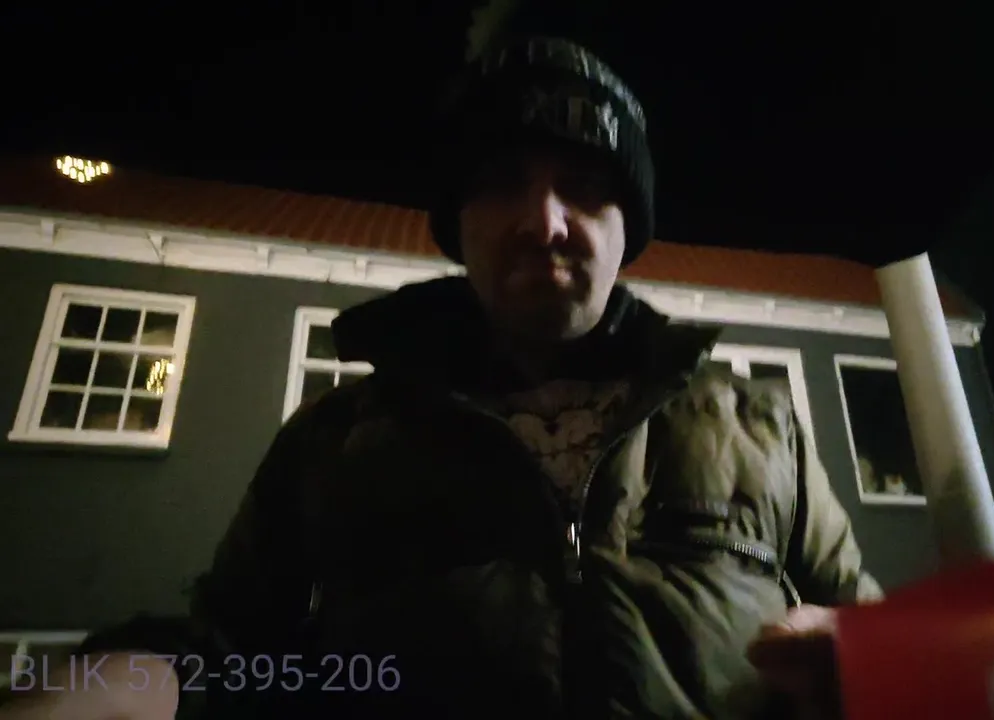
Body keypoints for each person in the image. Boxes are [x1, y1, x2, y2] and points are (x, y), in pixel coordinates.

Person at [0, 33, 880, 720]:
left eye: (585, 185)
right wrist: (128, 683)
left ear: (630, 225)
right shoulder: (335, 441)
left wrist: (861, 654)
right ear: (457, 221)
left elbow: (870, 629)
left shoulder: (762, 428)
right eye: (502, 181)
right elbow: (230, 654)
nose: (546, 221)